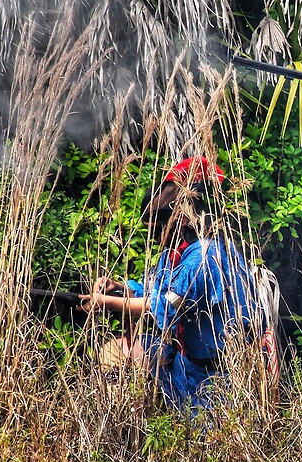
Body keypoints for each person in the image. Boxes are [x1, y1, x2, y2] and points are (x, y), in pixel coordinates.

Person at [81, 157, 276, 411]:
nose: (156, 237)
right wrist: (121, 288)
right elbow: (154, 288)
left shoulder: (205, 258)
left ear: (181, 221)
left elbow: (165, 304)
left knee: (206, 439)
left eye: (160, 228)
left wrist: (108, 303)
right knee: (112, 354)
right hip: (187, 362)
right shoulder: (176, 252)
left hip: (219, 374)